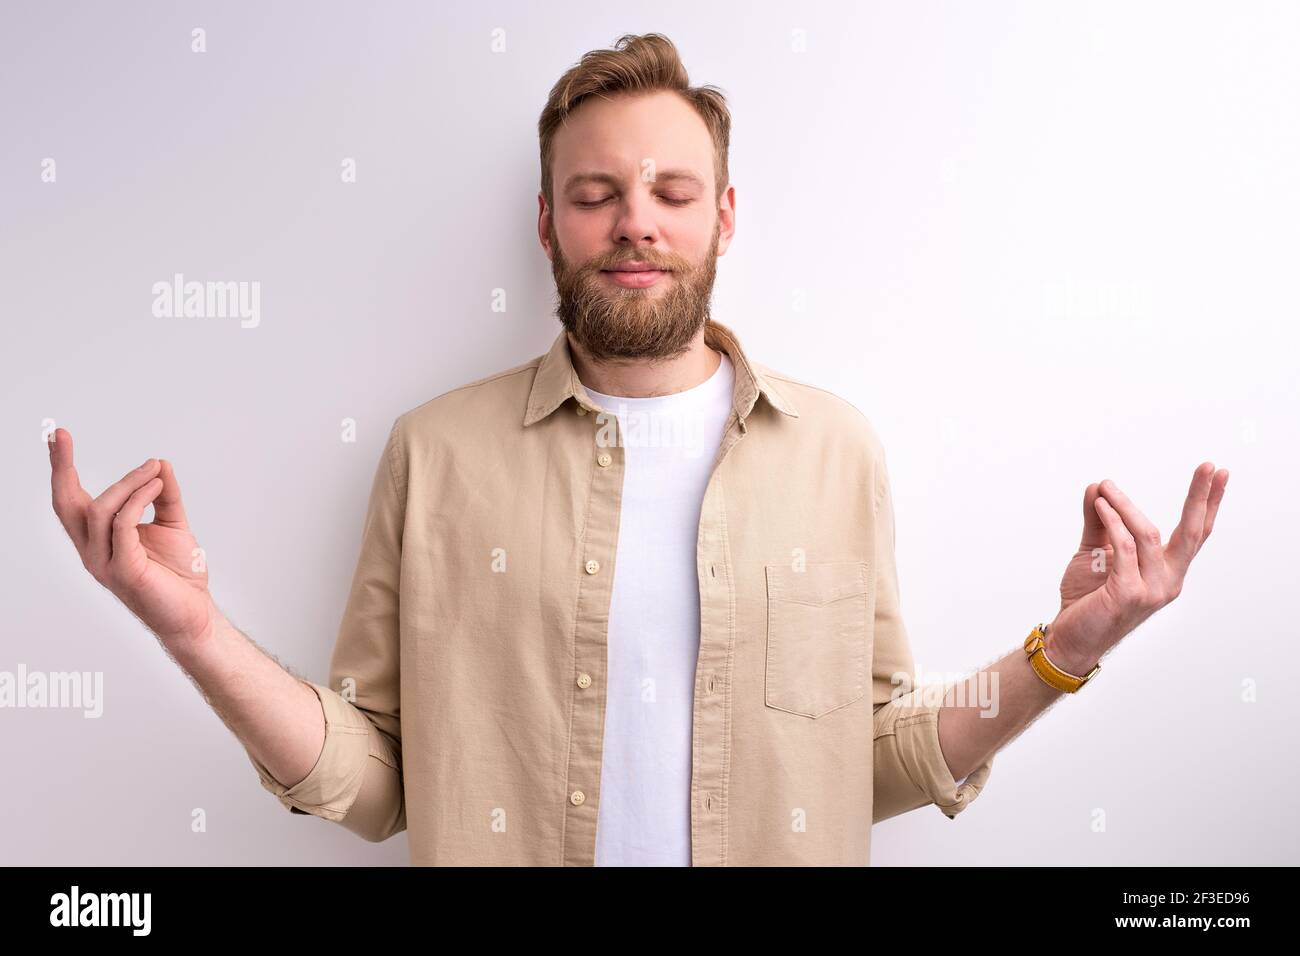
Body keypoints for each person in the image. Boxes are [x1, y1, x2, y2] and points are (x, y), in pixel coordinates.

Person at [47, 33, 1228, 866]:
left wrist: (1067, 648)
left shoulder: (836, 452)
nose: (634, 222)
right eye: (595, 192)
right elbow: (372, 781)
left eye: (671, 190)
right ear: (548, 223)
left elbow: (870, 763)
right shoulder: (433, 453)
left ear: (723, 215)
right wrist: (189, 625)